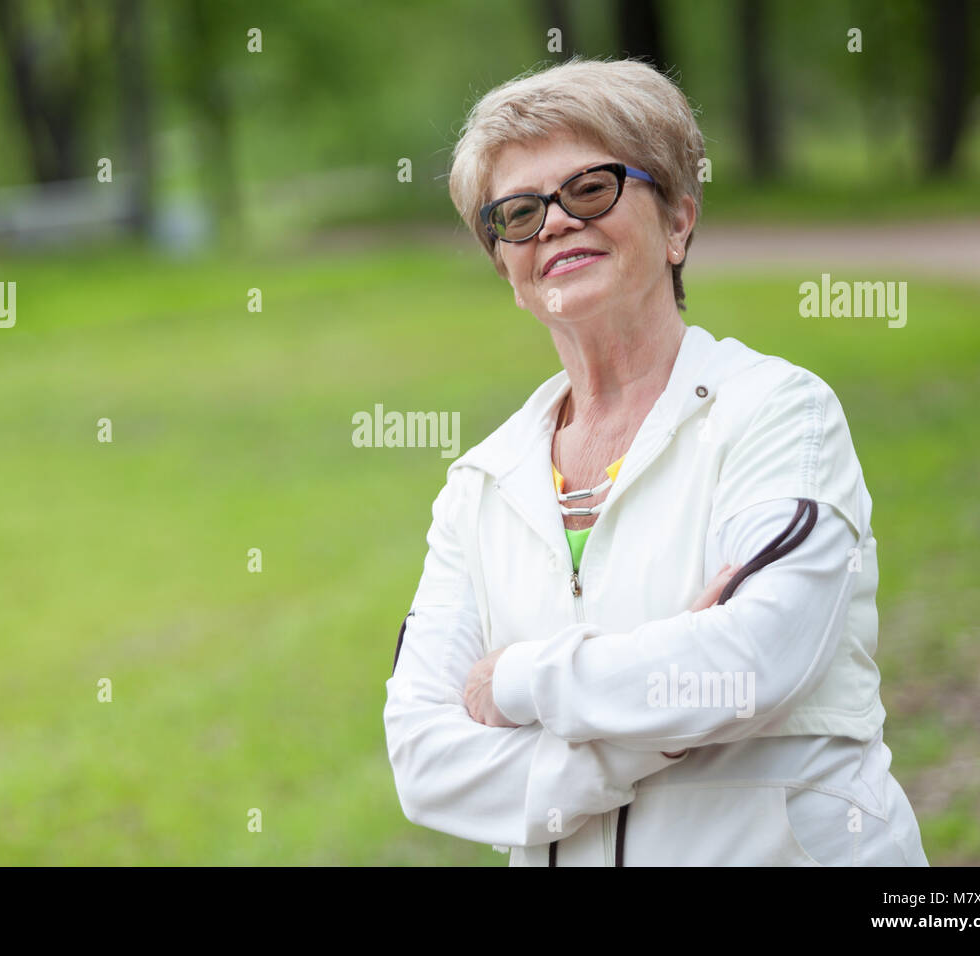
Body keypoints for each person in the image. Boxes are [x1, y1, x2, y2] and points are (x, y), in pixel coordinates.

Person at [383, 56, 929, 866]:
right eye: (520, 212)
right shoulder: (480, 486)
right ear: (508, 268)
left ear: (678, 221)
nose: (556, 222)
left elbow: (749, 663)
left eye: (592, 188)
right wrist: (646, 742)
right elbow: (426, 764)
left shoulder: (779, 413)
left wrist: (516, 682)